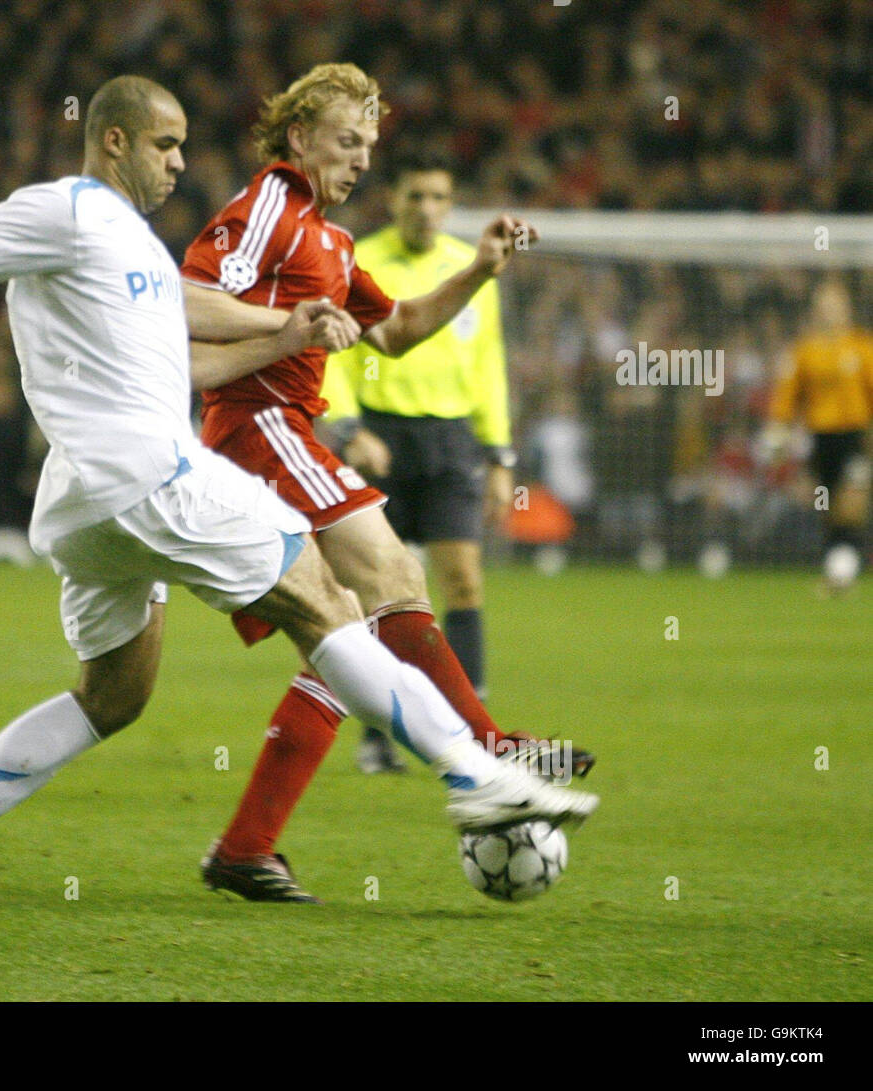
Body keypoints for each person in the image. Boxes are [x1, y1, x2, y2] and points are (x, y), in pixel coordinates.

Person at [0, 75, 597, 902]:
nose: (181, 162)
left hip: (85, 503)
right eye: (166, 144)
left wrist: (289, 331)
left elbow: (200, 361)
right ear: (116, 141)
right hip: (149, 472)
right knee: (335, 608)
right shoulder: (67, 208)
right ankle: (478, 780)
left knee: (115, 694)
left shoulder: (137, 252)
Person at [180, 64, 594, 903]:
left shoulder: (330, 242)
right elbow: (184, 302)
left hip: (277, 432)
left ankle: (245, 848)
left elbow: (399, 331)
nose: (363, 158)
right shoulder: (270, 206)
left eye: (370, 144)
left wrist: (479, 270)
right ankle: (487, 749)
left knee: (343, 642)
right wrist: (285, 324)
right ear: (299, 139)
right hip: (255, 426)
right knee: (394, 576)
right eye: (346, 140)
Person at [320, 151, 515, 773]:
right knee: (383, 593)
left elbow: (487, 362)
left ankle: (473, 729)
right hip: (379, 437)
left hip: (452, 441)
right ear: (394, 200)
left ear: (450, 205)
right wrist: (350, 430)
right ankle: (381, 733)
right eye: (415, 197)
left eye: (438, 198)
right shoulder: (362, 260)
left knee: (463, 582)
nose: (426, 210)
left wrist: (499, 453)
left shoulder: (471, 267)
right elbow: (339, 355)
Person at [764, 278, 873, 593]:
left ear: (847, 309)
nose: (830, 311)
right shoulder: (804, 351)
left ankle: (843, 571)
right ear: (816, 309)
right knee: (827, 508)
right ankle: (839, 570)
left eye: (836, 304)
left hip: (855, 436)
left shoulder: (862, 347)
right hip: (820, 439)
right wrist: (778, 433)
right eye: (824, 304)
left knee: (851, 503)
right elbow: (787, 398)